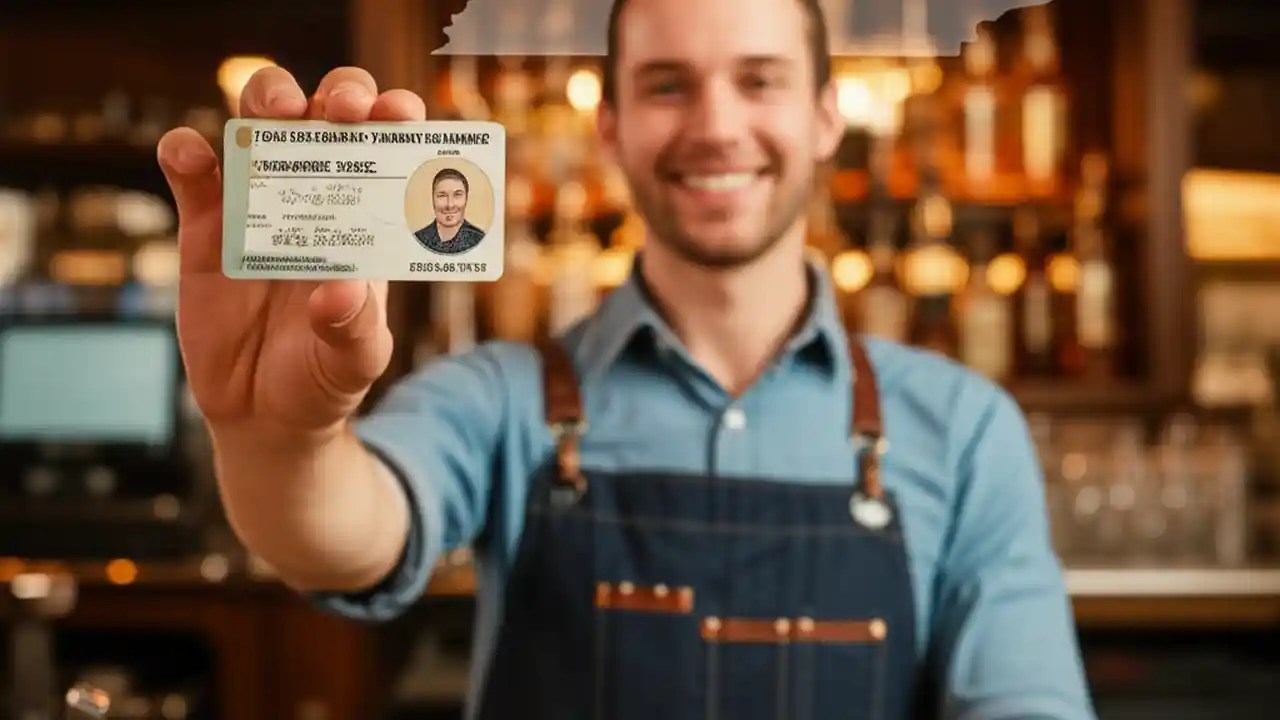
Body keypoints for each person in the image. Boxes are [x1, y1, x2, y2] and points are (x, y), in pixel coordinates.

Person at [156, 0, 1096, 718]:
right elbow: (347, 537)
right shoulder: (500, 399)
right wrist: (275, 441)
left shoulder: (964, 429)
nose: (716, 126)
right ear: (609, 128)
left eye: (760, 80)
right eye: (667, 84)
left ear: (824, 118)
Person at [413, 167, 487, 255]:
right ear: (432, 199)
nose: (450, 205)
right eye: (442, 195)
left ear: (466, 198)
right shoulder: (419, 238)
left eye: (457, 195)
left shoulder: (480, 240)